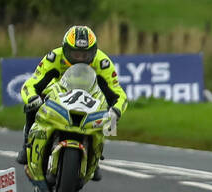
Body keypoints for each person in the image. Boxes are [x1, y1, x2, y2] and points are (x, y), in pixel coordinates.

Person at [16, 25, 128, 181]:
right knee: (31, 106)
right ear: (65, 49)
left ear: (93, 52)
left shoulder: (102, 62)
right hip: (58, 96)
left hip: (90, 99)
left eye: (85, 54)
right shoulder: (54, 57)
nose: (80, 59)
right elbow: (31, 84)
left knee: (110, 117)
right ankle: (26, 144)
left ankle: (96, 156)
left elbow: (118, 93)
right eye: (75, 54)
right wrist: (33, 99)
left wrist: (115, 111)